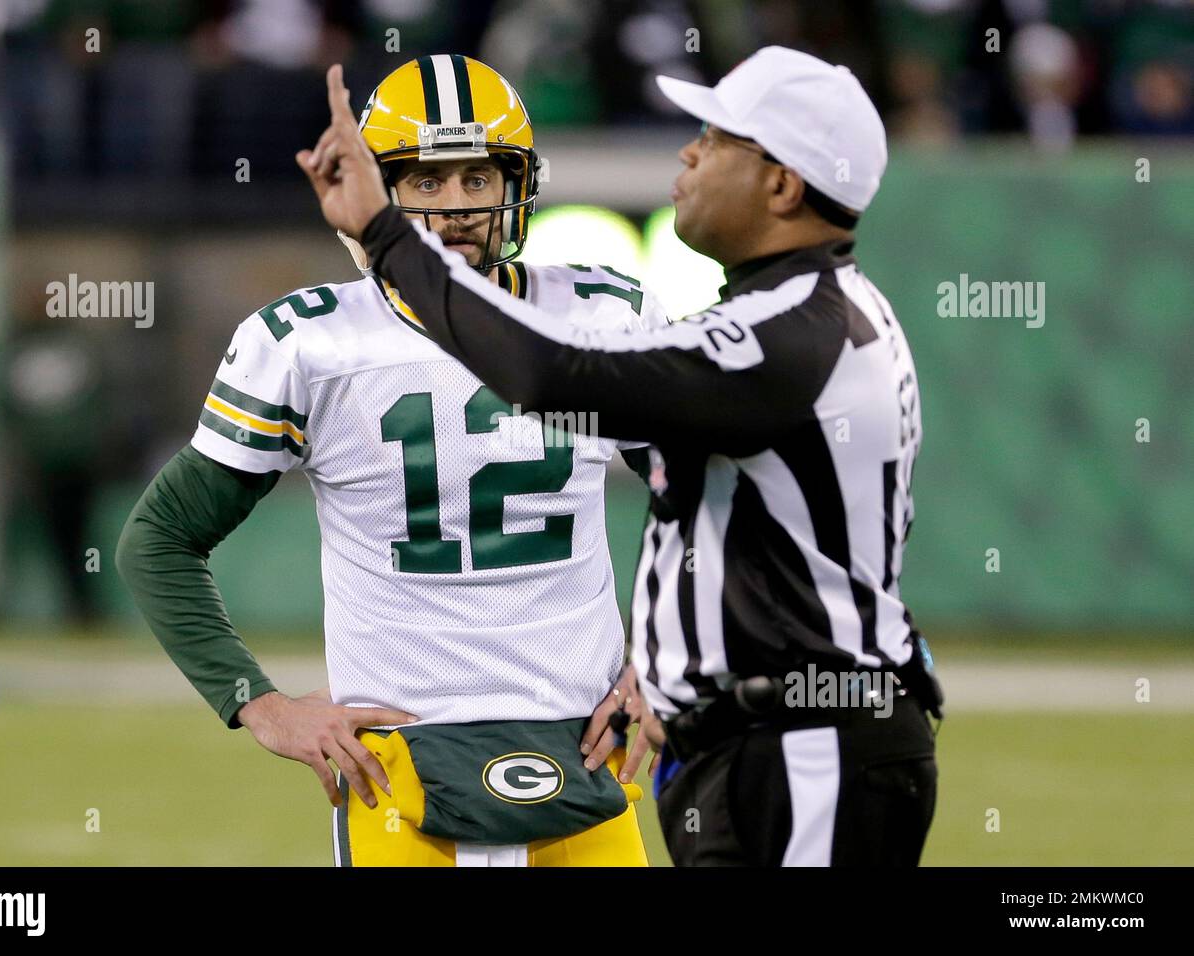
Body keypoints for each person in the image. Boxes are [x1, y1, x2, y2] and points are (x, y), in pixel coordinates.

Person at [306, 46, 943, 866]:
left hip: (802, 742)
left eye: (715, 140)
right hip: (772, 737)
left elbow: (550, 372)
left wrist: (387, 237)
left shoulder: (787, 333)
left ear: (782, 185)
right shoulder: (815, 311)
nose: (687, 153)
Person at [116, 55, 669, 867]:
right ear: (379, 188)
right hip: (398, 765)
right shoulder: (309, 344)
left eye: (478, 179)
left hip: (586, 755)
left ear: (516, 185)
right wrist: (259, 705)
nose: (455, 208)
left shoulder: (601, 315)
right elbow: (158, 538)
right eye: (426, 180)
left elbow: (713, 494)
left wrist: (665, 663)